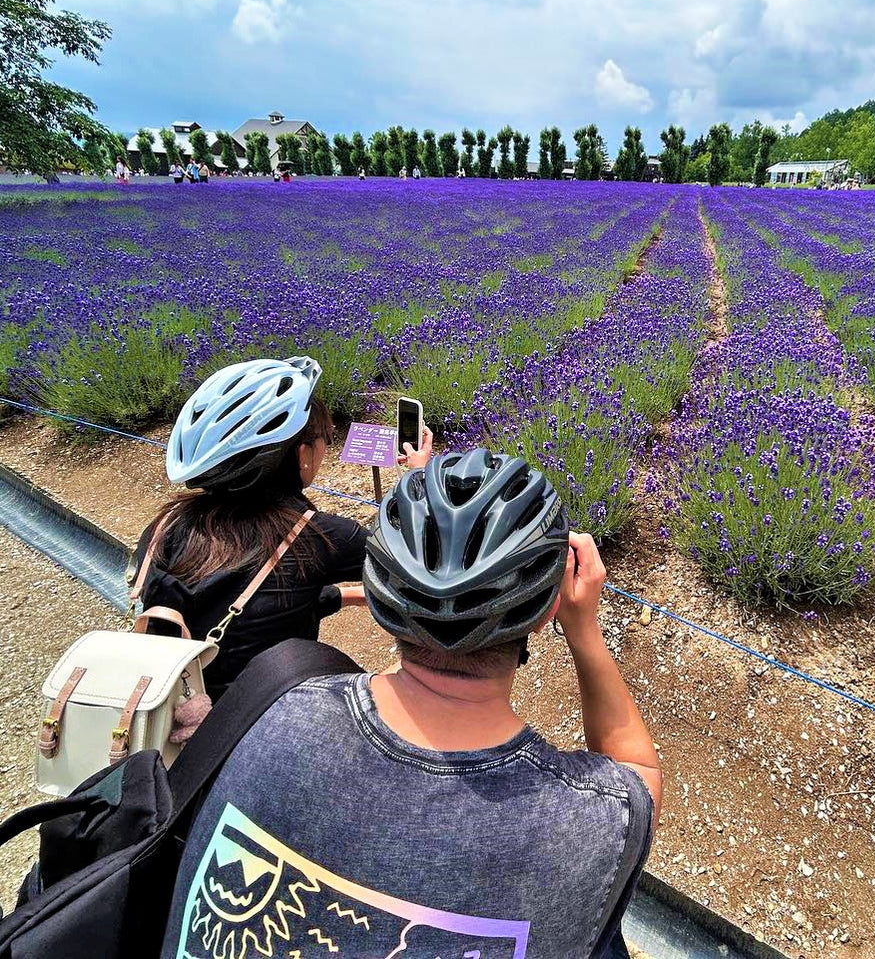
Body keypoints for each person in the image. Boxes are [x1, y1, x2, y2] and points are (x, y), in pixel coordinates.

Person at [160, 448, 661, 958]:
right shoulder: (589, 819)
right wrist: (583, 627)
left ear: (381, 593)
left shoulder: (269, 709)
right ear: (548, 607)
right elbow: (638, 771)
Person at [132, 356, 433, 701]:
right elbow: (417, 559)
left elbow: (255, 599)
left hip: (164, 707)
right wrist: (416, 478)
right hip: (254, 720)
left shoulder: (165, 525)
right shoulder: (315, 536)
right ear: (302, 454)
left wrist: (346, 596)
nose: (325, 447)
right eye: (325, 437)